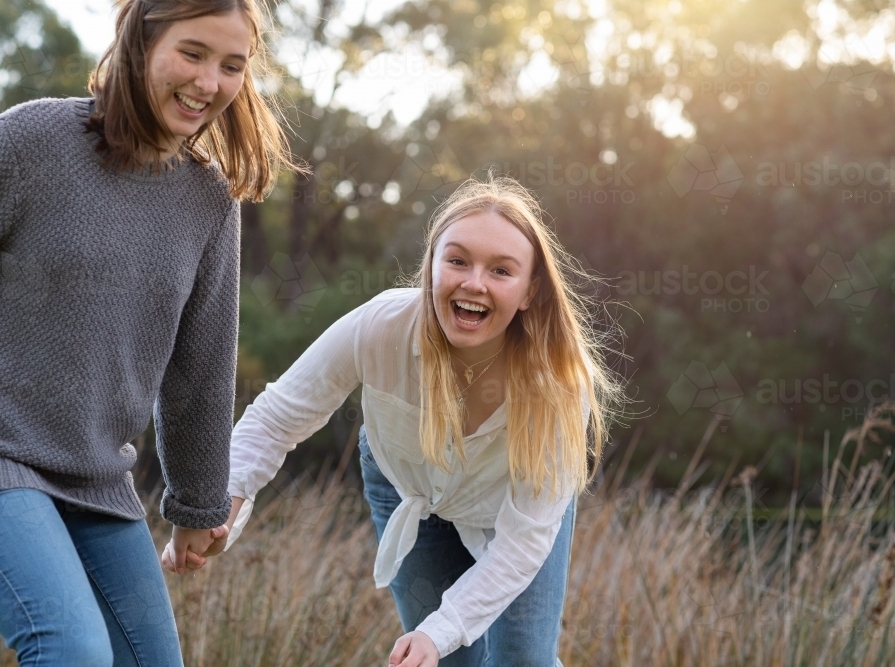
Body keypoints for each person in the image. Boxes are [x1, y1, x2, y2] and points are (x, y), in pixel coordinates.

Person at [172, 175, 623, 666]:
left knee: (523, 661)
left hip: (513, 520)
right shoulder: (380, 326)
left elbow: (524, 542)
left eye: (500, 270)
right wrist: (219, 505)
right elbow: (275, 419)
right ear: (431, 266)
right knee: (446, 661)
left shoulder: (557, 384)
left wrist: (442, 628)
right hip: (409, 489)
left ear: (530, 291)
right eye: (456, 260)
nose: (473, 282)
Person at [0, 0, 296, 665]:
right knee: (72, 649)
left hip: (99, 476)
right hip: (4, 454)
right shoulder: (31, 140)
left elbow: (201, 370)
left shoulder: (209, 202)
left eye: (231, 66)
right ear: (140, 43)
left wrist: (197, 506)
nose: (209, 83)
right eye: (192, 54)